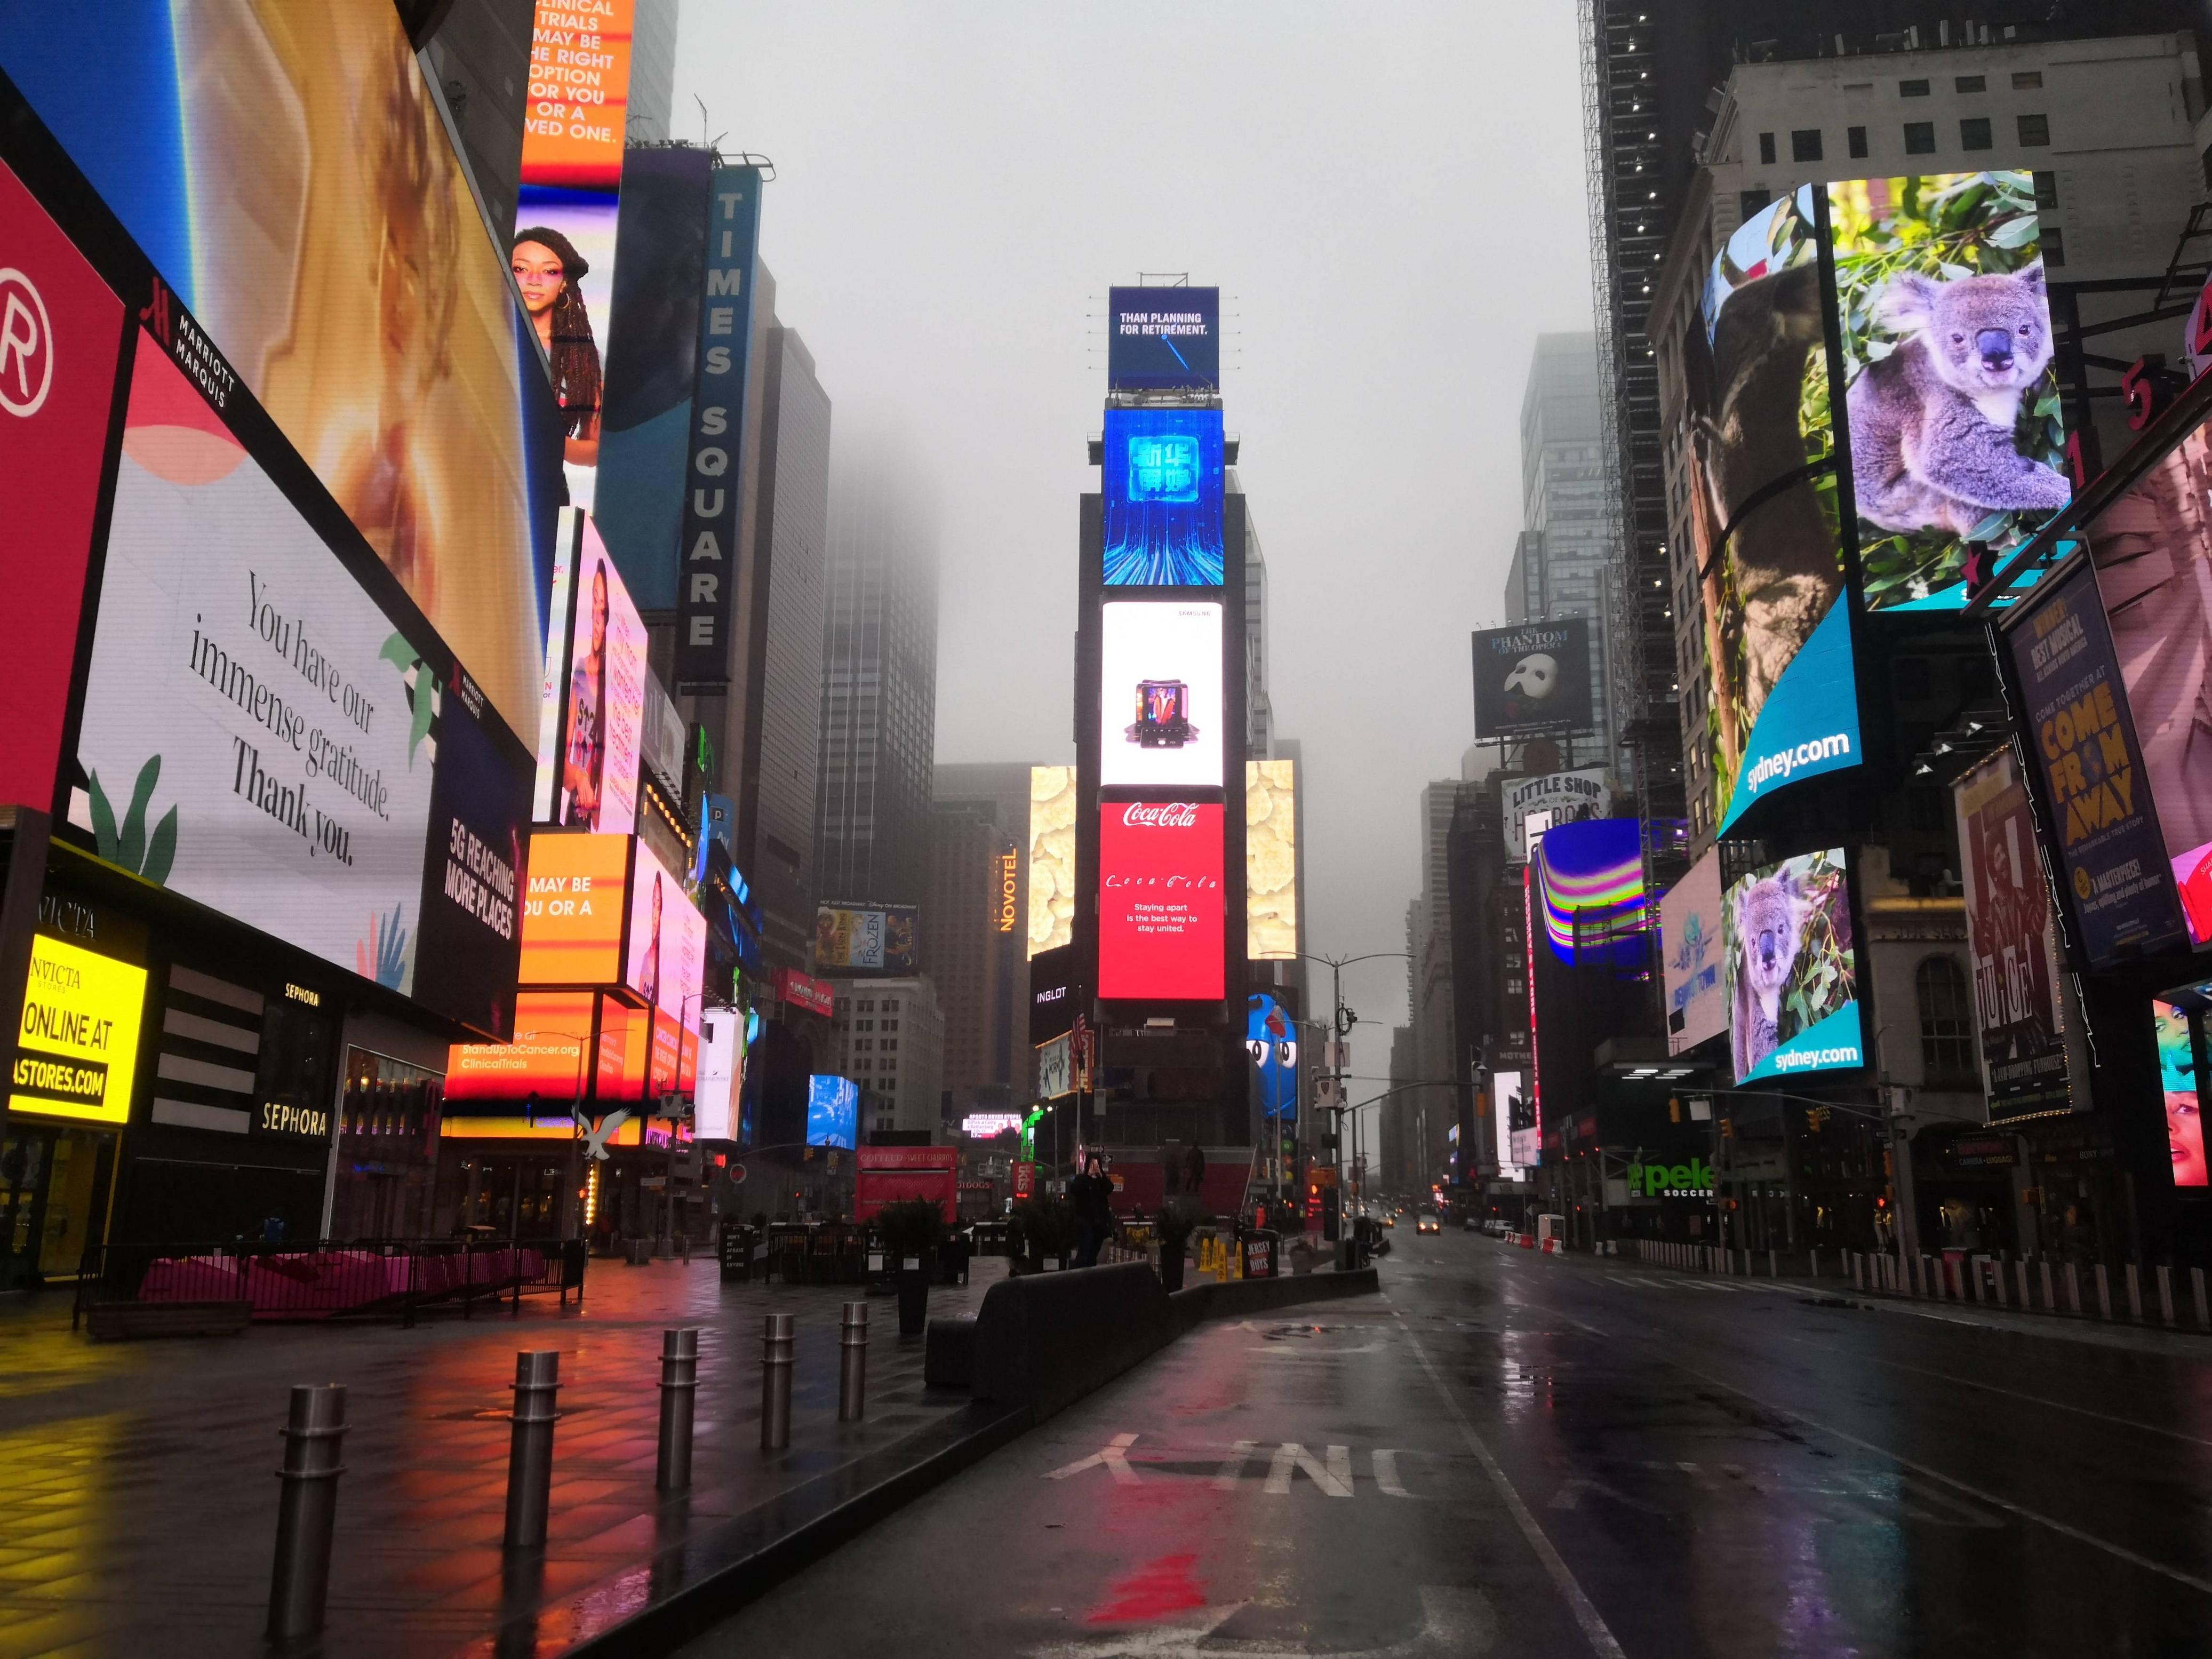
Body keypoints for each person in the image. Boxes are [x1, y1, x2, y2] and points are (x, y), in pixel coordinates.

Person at [510, 225, 603, 465]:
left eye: (549, 271)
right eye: (521, 269)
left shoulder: (584, 360)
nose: (534, 281)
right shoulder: (477, 337)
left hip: (540, 486)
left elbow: (594, 451)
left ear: (564, 283)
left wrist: (545, 436)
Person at [562, 562, 610, 827]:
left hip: (589, 832)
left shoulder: (609, 689)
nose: (597, 618)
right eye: (595, 602)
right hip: (566, 814)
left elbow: (601, 819)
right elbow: (563, 767)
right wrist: (579, 776)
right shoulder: (580, 670)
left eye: (603, 609)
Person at [1069, 1153, 1114, 1268]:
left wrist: (1101, 1175)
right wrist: (1088, 1175)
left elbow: (1110, 1188)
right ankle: (1079, 1275)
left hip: (1099, 1223)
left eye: (1096, 1164)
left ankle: (1090, 1275)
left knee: (1094, 1252)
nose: (1094, 1166)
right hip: (1085, 1221)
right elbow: (1075, 1189)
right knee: (1084, 1250)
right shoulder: (1081, 1179)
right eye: (1092, 1164)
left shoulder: (1102, 1181)